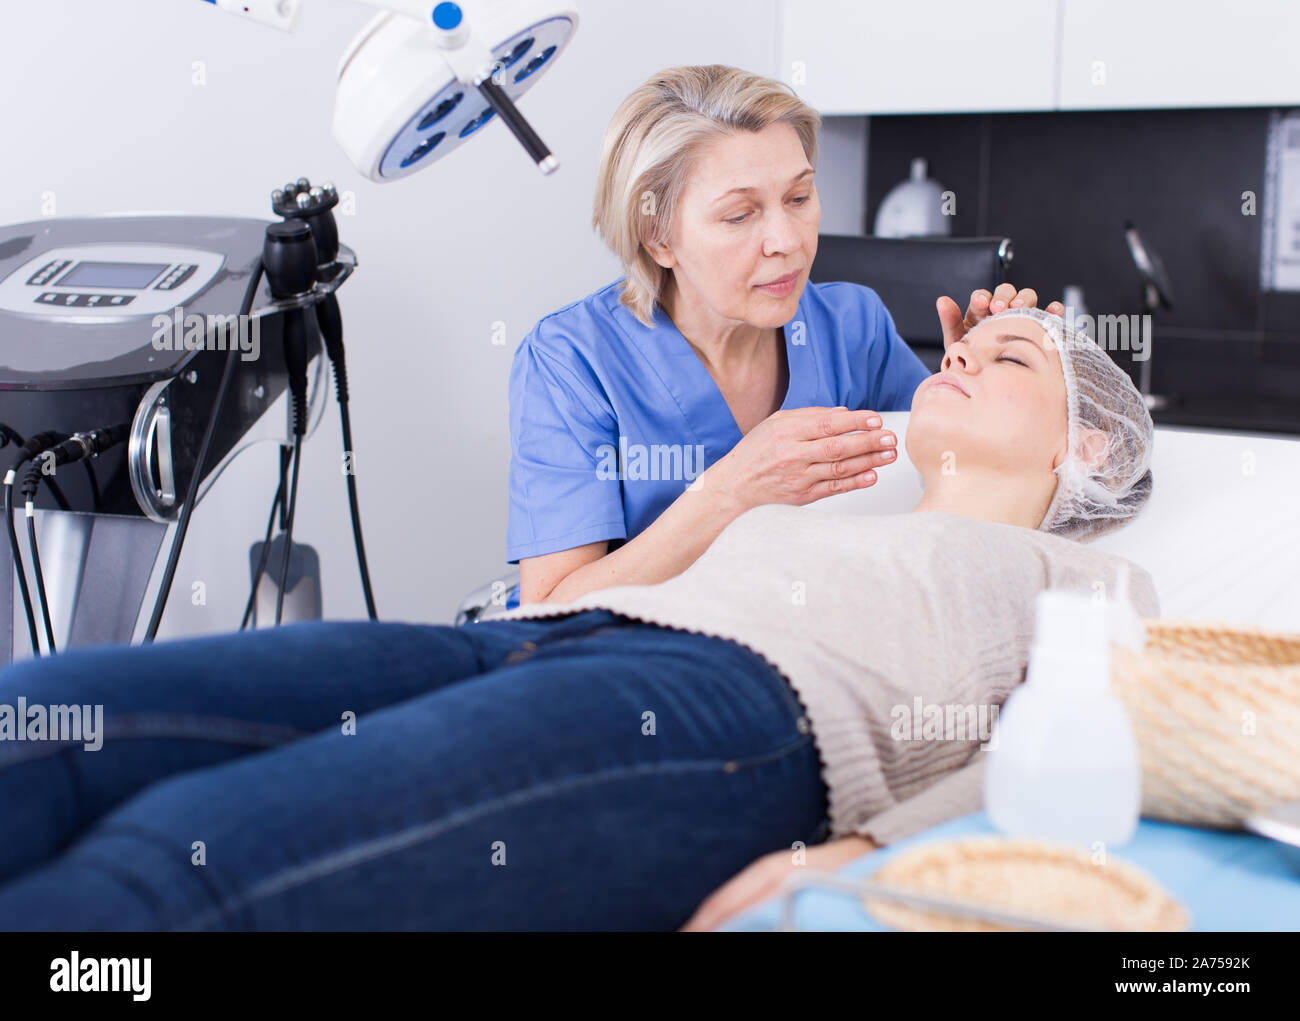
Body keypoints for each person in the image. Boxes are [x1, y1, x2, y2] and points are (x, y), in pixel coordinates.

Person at [0, 308, 1156, 931]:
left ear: (1089, 445)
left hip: (723, 710)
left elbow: (1104, 750)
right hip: (540, 637)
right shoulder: (839, 502)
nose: (956, 353)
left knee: (180, 866)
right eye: (959, 344)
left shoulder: (1086, 582)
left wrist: (868, 853)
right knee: (50, 715)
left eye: (1003, 358)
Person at [508, 64, 1063, 605]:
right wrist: (729, 493)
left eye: (799, 199)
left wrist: (991, 373)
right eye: (739, 216)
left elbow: (961, 485)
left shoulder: (853, 327)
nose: (787, 241)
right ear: (659, 239)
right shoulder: (573, 361)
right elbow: (548, 610)